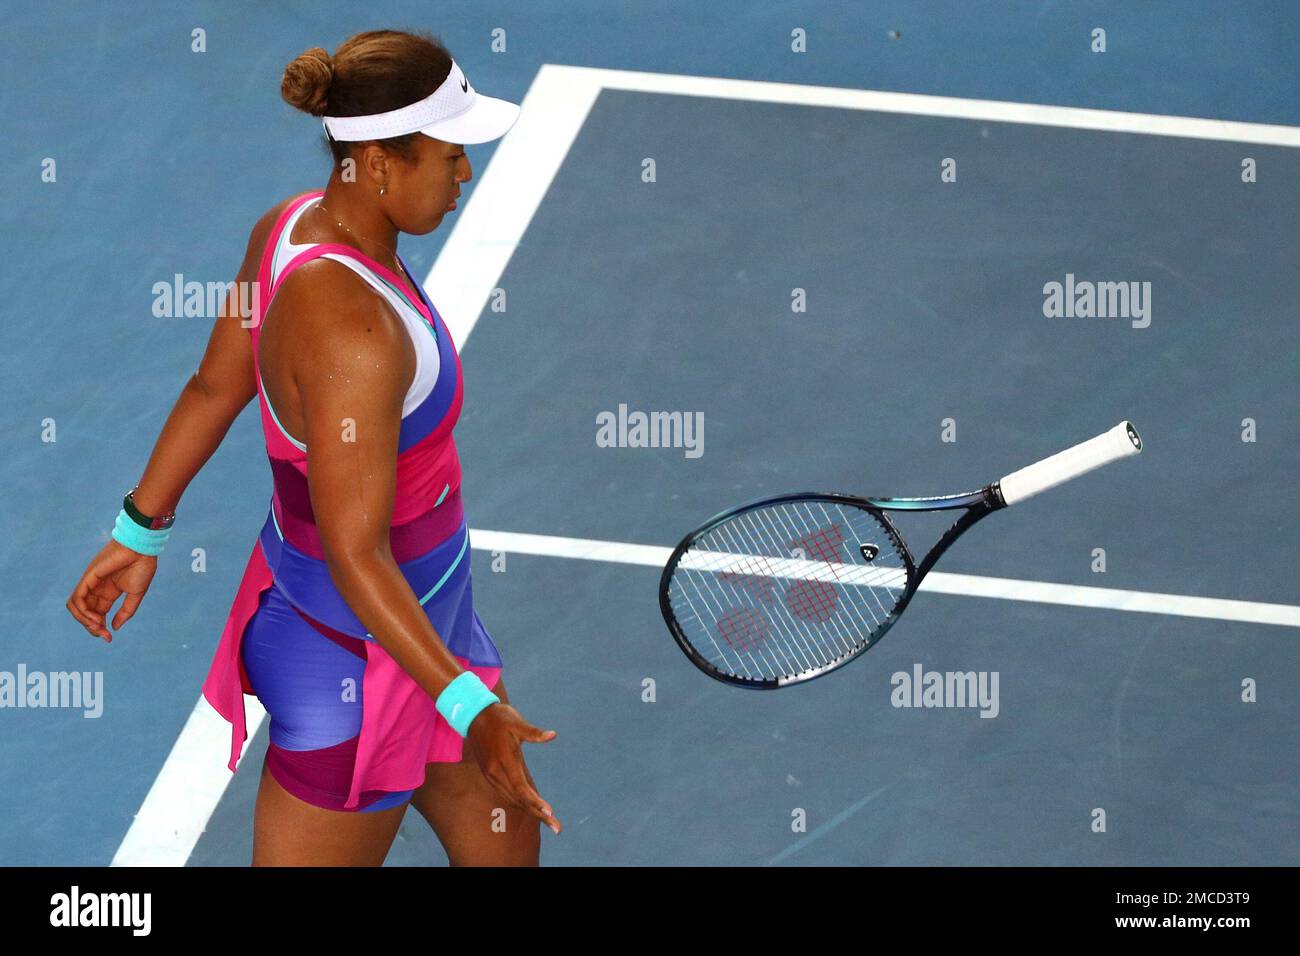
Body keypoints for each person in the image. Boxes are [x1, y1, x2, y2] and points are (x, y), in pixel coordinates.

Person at [66, 29, 561, 866]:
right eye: (449, 156)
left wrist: (137, 533)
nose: (464, 176)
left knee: (505, 854)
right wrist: (472, 706)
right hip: (354, 664)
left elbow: (216, 388)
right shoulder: (355, 336)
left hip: (427, 632)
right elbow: (356, 551)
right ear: (377, 164)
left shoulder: (289, 224)